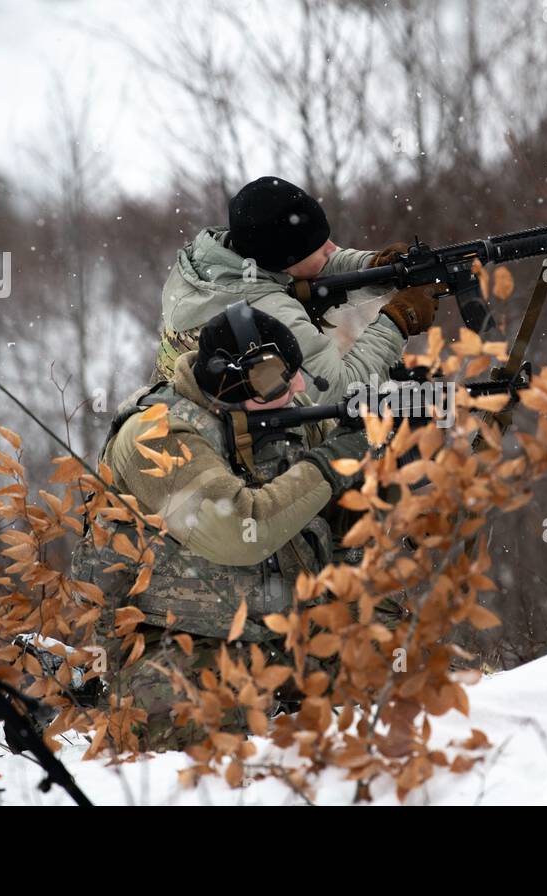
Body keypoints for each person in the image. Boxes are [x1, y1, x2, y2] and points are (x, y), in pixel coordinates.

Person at [72, 302, 378, 750]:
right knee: (208, 746)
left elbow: (345, 514)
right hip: (169, 643)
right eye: (279, 379)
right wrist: (331, 463)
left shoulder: (279, 408)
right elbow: (238, 529)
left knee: (394, 694)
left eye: (296, 372)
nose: (297, 386)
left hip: (282, 635)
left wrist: (389, 456)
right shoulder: (155, 437)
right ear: (232, 385)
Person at [154, 176, 440, 401]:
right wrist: (398, 321)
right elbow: (338, 391)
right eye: (320, 247)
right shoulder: (267, 311)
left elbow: (316, 265)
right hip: (230, 461)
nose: (332, 248)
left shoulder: (215, 262)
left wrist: (376, 268)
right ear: (285, 261)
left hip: (171, 424)